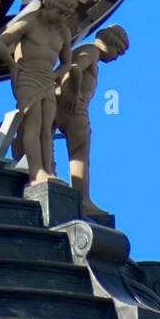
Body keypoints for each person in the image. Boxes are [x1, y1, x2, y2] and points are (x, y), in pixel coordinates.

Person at [0, 0, 78, 185]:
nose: (62, 17)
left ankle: (48, 171)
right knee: (34, 122)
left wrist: (56, 76)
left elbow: (67, 62)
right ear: (51, 5)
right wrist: (13, 66)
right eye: (60, 12)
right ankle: (36, 171)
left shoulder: (63, 31)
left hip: (47, 78)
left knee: (47, 128)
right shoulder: (30, 21)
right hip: (27, 77)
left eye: (66, 14)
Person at [54, 25, 129, 213]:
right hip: (74, 106)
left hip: (60, 103)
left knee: (57, 144)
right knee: (80, 151)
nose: (115, 58)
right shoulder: (92, 50)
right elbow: (74, 68)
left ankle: (56, 179)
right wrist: (74, 93)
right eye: (117, 52)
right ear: (111, 43)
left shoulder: (83, 49)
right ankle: (83, 199)